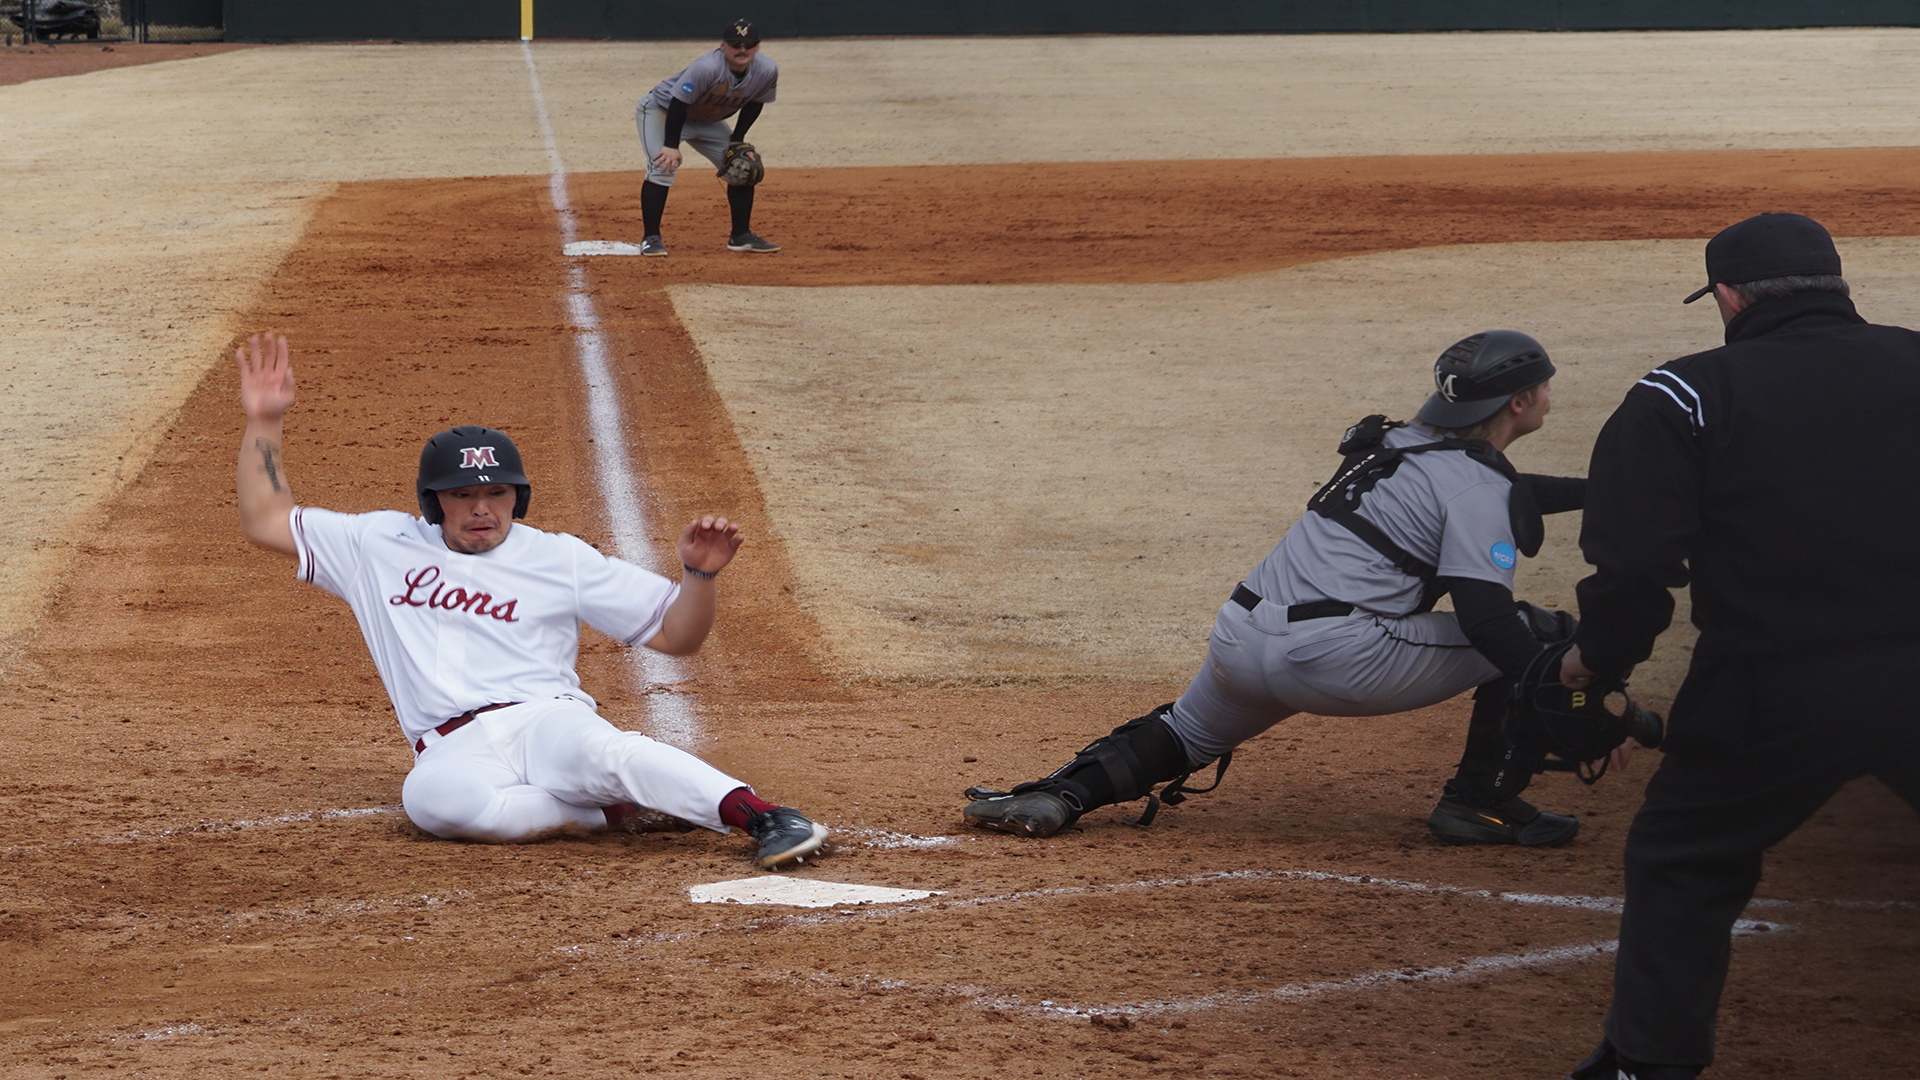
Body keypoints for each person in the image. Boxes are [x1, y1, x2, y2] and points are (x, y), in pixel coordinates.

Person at [964, 331, 1605, 847]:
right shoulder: (1475, 487)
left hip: (1243, 638)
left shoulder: (1395, 442)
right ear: (1518, 403)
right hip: (1340, 656)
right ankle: (1480, 802)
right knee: (1536, 636)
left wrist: (1606, 492)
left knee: (1187, 732)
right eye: (1544, 386)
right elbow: (1488, 620)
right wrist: (1564, 693)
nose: (1551, 395)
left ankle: (1059, 792)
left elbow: (1499, 490)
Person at [233, 332, 828, 869]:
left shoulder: (558, 557)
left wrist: (698, 577)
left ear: (519, 496)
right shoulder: (377, 544)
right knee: (434, 804)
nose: (482, 509)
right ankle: (614, 814)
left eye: (497, 493)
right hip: (452, 747)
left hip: (547, 717)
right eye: (462, 495)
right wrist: (264, 419)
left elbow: (679, 636)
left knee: (608, 753)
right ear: (432, 501)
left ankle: (765, 816)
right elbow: (266, 519)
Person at [1559, 214, 1920, 1079]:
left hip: (1776, 684)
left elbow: (1636, 565)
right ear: (1837, 284)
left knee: (1685, 859)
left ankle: (1648, 1064)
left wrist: (1596, 664)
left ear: (1726, 297)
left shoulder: (1685, 394)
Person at [635, 19, 780, 257]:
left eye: (749, 44)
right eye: (736, 44)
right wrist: (671, 145)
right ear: (723, 45)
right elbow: (679, 104)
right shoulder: (707, 67)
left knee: (742, 165)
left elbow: (755, 102)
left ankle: (741, 236)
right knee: (662, 166)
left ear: (758, 47)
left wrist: (737, 139)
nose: (742, 50)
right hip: (663, 111)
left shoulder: (766, 70)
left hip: (707, 120)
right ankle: (651, 238)